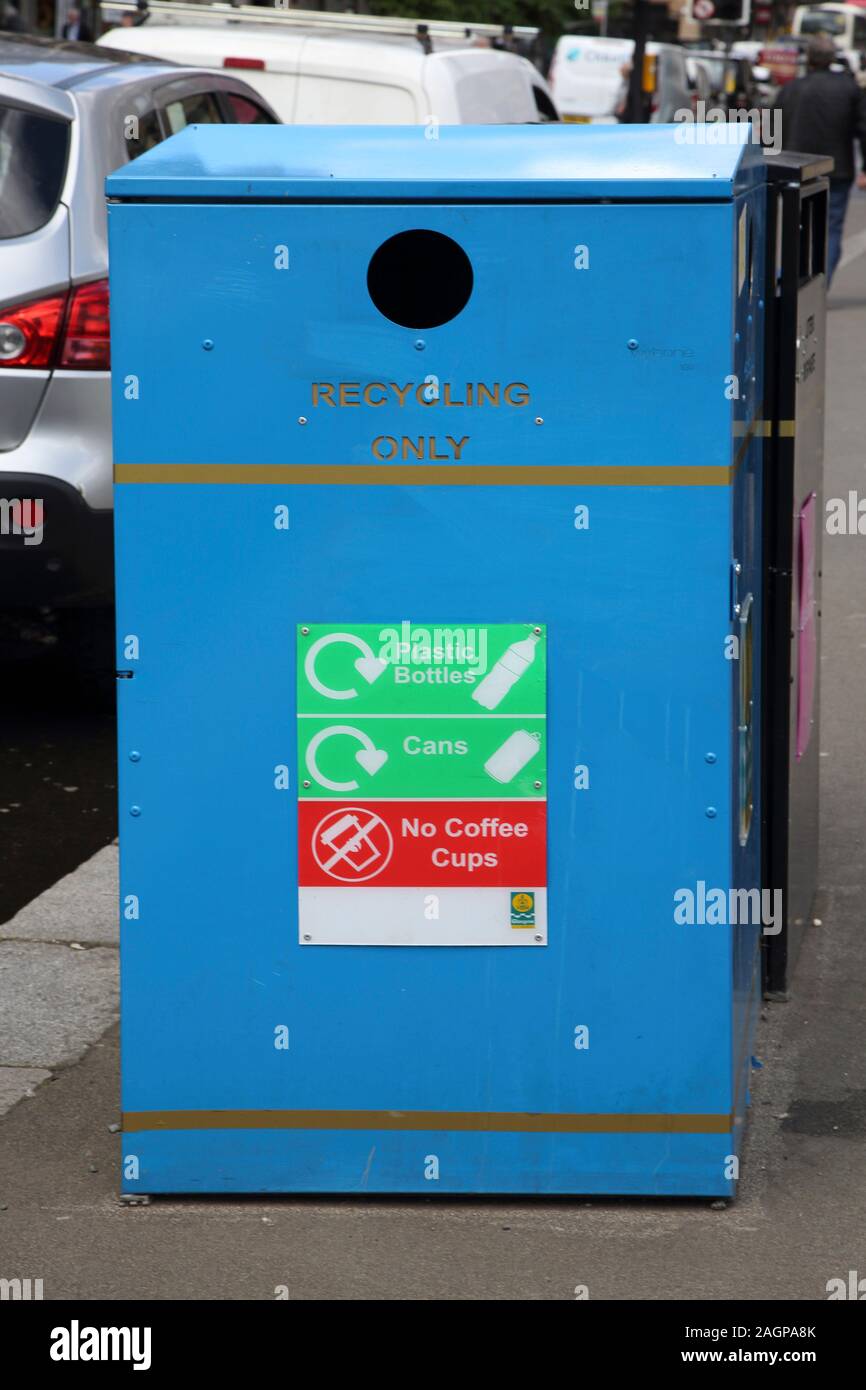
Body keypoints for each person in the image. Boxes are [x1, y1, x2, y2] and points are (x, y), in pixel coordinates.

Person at [777, 34, 866, 284]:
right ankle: (819, 286)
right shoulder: (849, 88)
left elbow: (773, 131)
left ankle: (794, 284)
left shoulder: (791, 89)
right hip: (837, 169)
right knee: (832, 228)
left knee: (796, 226)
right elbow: (864, 128)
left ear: (809, 59)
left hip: (796, 170)